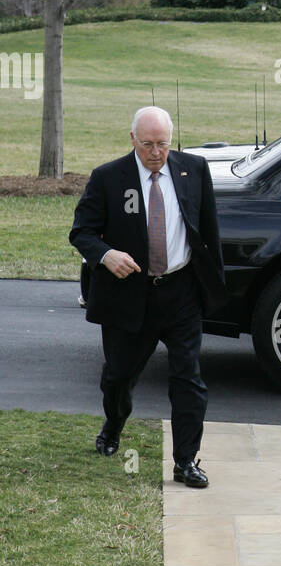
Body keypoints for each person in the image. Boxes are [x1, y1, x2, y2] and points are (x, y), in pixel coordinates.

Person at [70, 107, 226, 488]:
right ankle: (113, 425)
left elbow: (208, 230)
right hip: (129, 294)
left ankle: (186, 461)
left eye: (163, 144)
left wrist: (212, 285)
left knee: (188, 377)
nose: (156, 152)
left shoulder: (194, 170)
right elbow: (82, 232)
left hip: (180, 292)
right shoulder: (108, 178)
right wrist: (106, 256)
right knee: (119, 376)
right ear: (132, 139)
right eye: (148, 144)